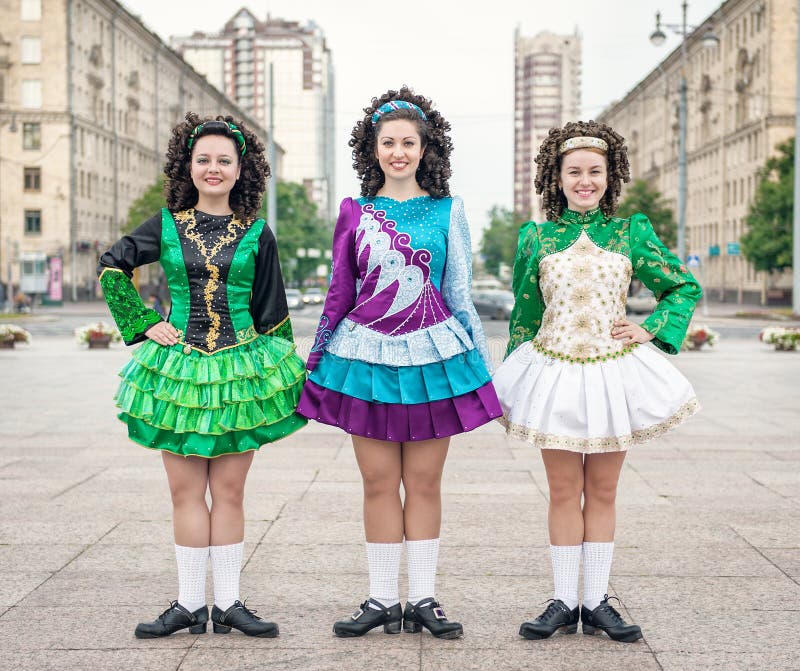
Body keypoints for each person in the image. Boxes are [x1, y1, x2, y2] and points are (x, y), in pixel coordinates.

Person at [297, 88, 502, 638]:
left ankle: (424, 599)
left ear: (425, 147)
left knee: (426, 482)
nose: (398, 152)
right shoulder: (353, 211)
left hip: (435, 356)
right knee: (378, 481)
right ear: (373, 148)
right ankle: (383, 598)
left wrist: (485, 368)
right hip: (366, 357)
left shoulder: (448, 209)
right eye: (388, 142)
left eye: (408, 142)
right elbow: (340, 289)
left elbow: (458, 291)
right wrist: (314, 359)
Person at [97, 113, 307, 639]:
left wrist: (284, 386)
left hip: (241, 374)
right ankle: (190, 604)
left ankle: (230, 604)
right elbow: (111, 264)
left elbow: (272, 314)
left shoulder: (259, 234)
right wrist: (145, 325)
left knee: (230, 493)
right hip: (179, 375)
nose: (213, 169)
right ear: (187, 167)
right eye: (203, 160)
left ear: (242, 171)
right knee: (185, 493)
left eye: (224, 161)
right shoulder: (165, 225)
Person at [493, 121, 701, 643]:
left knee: (603, 489)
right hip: (555, 371)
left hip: (613, 373)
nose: (585, 181)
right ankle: (563, 601)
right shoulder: (535, 237)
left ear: (610, 177)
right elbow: (524, 313)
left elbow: (681, 286)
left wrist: (649, 326)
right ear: (556, 178)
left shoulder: (632, 232)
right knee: (564, 489)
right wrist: (514, 382)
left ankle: (597, 600)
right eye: (574, 172)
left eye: (595, 172)